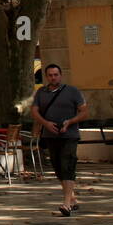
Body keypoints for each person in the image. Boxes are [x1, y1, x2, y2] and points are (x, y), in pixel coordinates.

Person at [31, 64, 88, 216]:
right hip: (50, 135)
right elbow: (34, 111)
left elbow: (84, 112)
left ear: (60, 75)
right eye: (50, 75)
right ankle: (72, 198)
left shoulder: (72, 91)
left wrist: (70, 122)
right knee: (58, 167)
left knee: (67, 165)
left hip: (69, 135)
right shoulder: (41, 93)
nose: (53, 77)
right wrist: (46, 124)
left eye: (56, 74)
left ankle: (66, 204)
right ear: (46, 77)